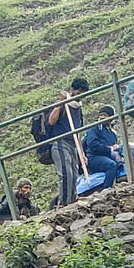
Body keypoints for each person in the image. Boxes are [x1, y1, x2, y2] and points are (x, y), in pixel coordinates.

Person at [46, 77, 90, 208]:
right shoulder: (63, 105)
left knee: (75, 174)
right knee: (66, 174)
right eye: (79, 92)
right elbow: (51, 121)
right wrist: (60, 102)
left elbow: (78, 132)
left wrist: (82, 153)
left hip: (73, 144)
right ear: (72, 90)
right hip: (60, 142)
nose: (81, 95)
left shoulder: (78, 108)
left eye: (83, 92)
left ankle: (72, 201)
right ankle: (64, 205)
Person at [81, 106, 126, 192]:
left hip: (106, 156)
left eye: (105, 115)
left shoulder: (112, 133)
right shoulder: (94, 128)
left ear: (111, 117)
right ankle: (107, 190)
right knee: (111, 165)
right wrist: (109, 149)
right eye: (100, 115)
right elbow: (92, 144)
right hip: (93, 157)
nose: (102, 117)